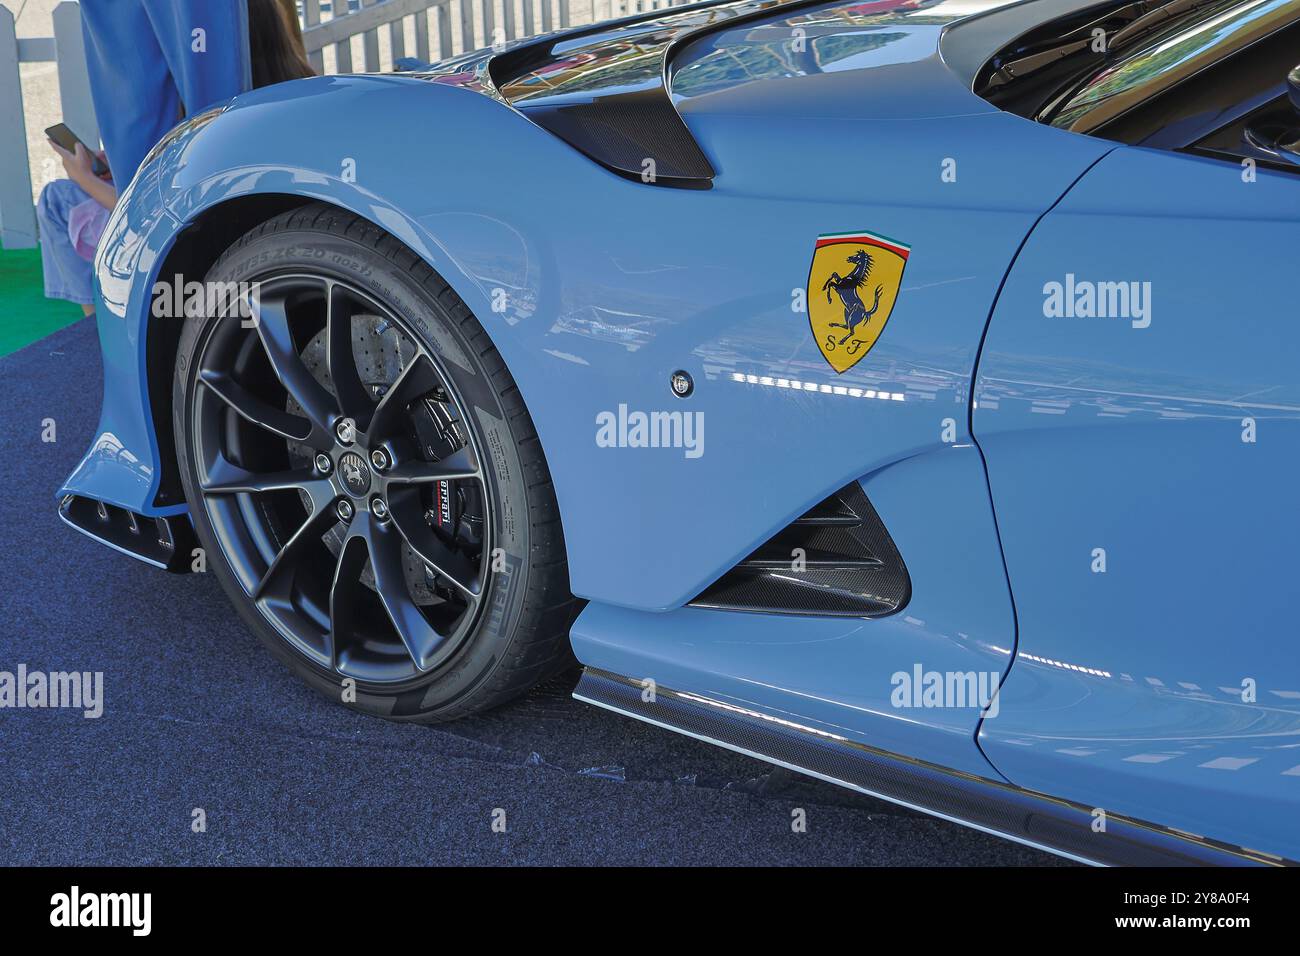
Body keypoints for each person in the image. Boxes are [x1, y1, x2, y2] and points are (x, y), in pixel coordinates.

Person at [38, 1, 315, 314]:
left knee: (56, 199)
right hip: (270, 231)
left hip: (186, 246)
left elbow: (163, 216)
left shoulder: (196, 115)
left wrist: (85, 179)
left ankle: (94, 325)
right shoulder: (297, 86)